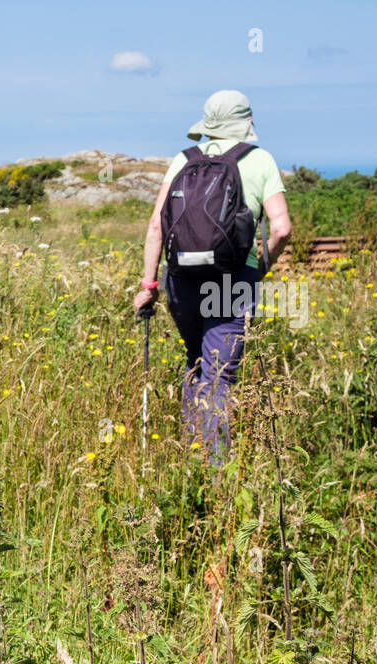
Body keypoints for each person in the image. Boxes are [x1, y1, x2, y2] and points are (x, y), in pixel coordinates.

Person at [132, 90, 293, 462]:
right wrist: (259, 266)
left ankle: (191, 456)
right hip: (233, 280)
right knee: (220, 374)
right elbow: (282, 229)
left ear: (207, 125)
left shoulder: (184, 160)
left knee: (196, 361)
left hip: (181, 278)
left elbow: (157, 225)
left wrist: (148, 285)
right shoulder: (259, 159)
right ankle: (215, 474)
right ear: (247, 121)